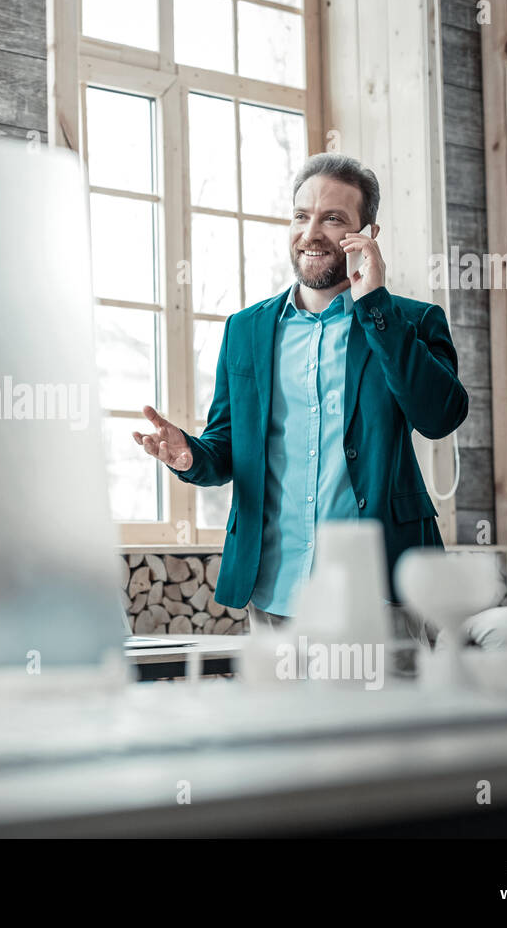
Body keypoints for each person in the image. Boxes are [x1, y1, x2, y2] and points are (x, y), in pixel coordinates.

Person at [133, 154, 467, 648]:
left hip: (381, 590)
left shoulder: (410, 322)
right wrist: (190, 456)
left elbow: (440, 415)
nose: (311, 232)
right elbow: (227, 445)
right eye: (301, 215)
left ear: (367, 233)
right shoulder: (244, 330)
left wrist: (375, 303)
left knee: (390, 727)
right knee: (284, 726)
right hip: (275, 593)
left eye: (333, 218)